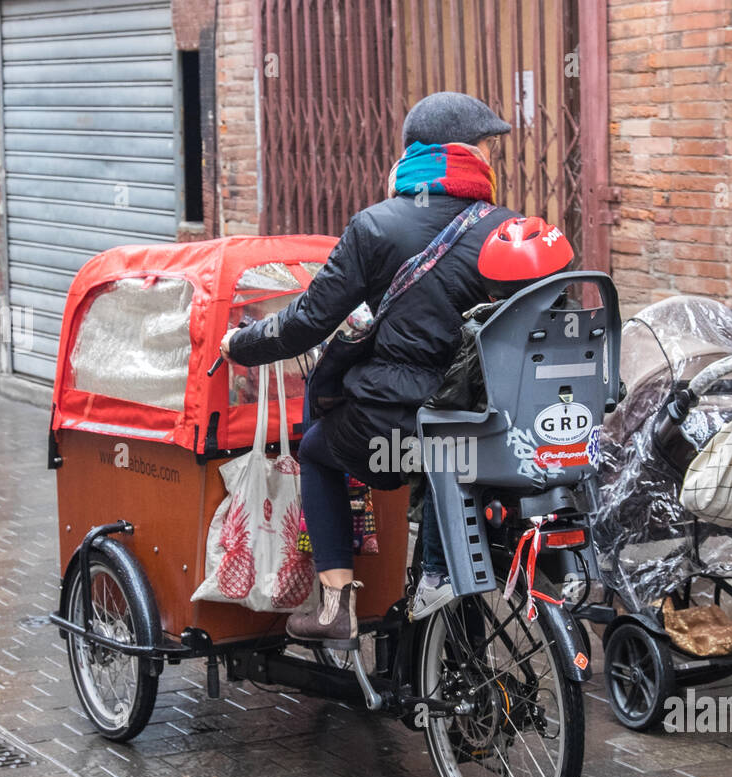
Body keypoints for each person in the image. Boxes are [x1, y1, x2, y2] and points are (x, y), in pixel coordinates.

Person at [220, 92, 523, 642]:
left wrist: (241, 344)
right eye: (485, 146)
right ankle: (445, 589)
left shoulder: (376, 226)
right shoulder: (508, 230)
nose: (491, 158)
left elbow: (307, 322)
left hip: (399, 424)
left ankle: (337, 607)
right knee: (448, 462)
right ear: (462, 153)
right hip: (486, 424)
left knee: (316, 449)